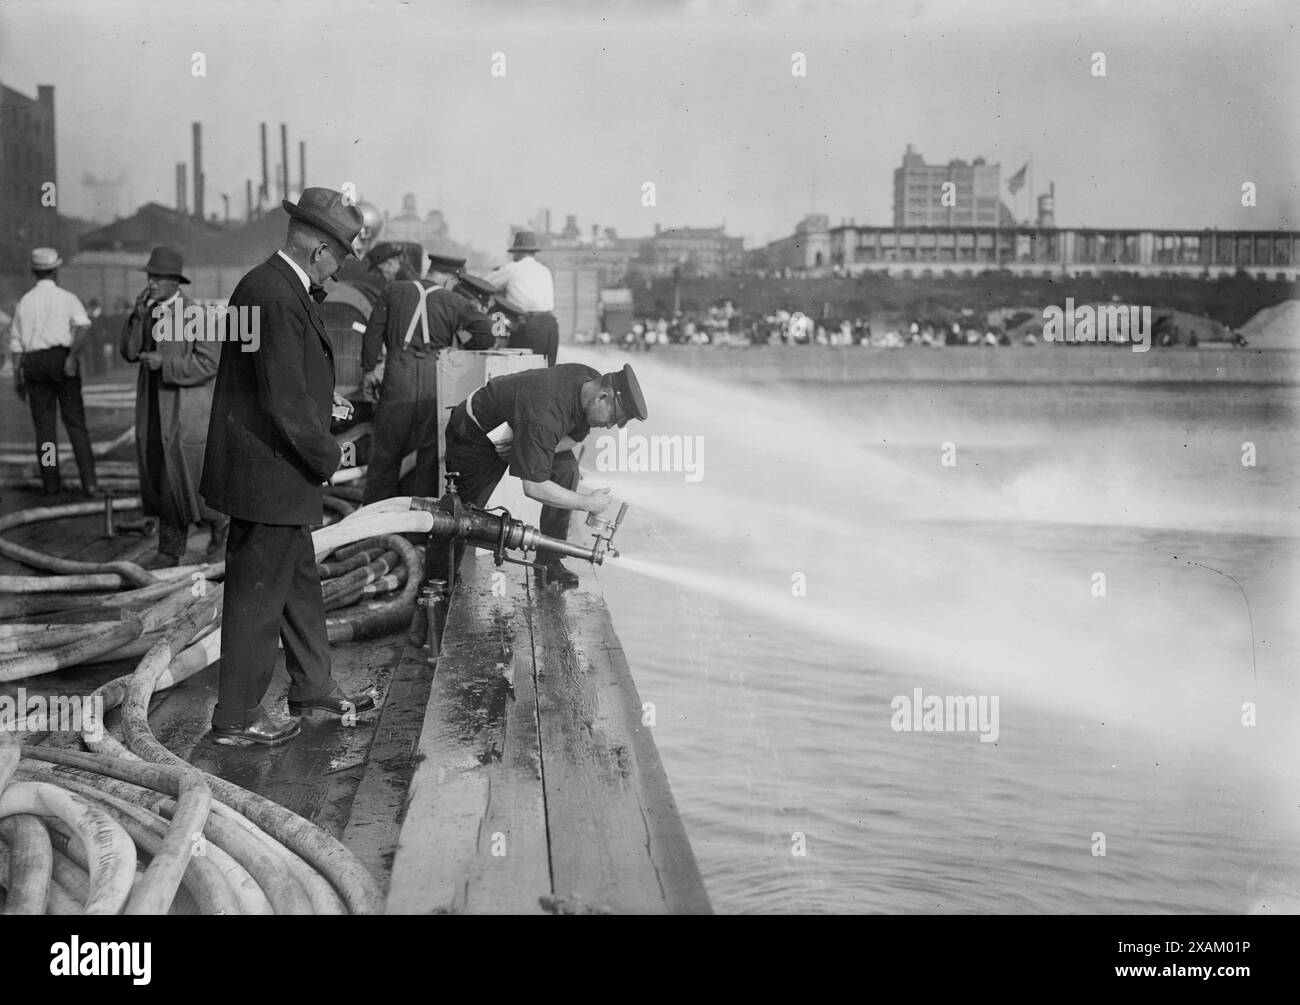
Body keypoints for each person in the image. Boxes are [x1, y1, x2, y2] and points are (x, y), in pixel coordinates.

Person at [201, 187, 374, 746]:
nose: (338, 272)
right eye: (339, 259)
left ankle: (313, 685)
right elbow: (281, 399)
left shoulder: (274, 287)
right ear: (319, 250)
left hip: (277, 474)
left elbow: (280, 381)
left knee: (298, 584)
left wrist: (324, 401)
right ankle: (236, 717)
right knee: (256, 595)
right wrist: (330, 455)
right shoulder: (273, 293)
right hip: (267, 476)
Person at [434, 362, 648, 590]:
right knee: (459, 516)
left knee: (566, 469)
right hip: (476, 434)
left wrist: (524, 448)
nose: (609, 426)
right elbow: (534, 487)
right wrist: (587, 503)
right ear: (602, 397)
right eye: (613, 418)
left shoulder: (589, 381)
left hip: (521, 429)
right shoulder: (546, 413)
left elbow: (573, 438)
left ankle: (549, 559)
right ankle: (438, 582)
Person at [120, 246, 228, 568]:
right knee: (163, 476)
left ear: (175, 282)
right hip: (154, 408)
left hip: (185, 410)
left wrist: (164, 364)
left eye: (157, 277)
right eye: (149, 277)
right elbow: (128, 353)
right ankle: (173, 549)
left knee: (185, 477)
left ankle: (217, 526)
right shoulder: (148, 312)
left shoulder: (196, 314)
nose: (151, 283)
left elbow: (210, 362)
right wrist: (137, 316)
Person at [359, 252, 494, 504]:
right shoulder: (454, 300)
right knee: (429, 455)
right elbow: (487, 334)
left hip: (398, 374)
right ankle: (421, 519)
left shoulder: (393, 290)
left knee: (385, 452)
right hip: (435, 376)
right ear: (452, 278)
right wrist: (460, 352)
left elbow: (373, 333)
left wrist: (369, 370)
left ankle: (373, 515)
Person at [8, 247, 100, 497]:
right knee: (76, 424)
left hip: (34, 365)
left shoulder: (25, 302)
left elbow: (16, 344)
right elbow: (83, 326)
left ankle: (51, 484)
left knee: (45, 430)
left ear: (33, 272)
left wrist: (18, 377)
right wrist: (71, 357)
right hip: (61, 360)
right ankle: (89, 482)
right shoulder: (67, 298)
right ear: (55, 270)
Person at [486, 231, 558, 366]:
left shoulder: (512, 268)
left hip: (528, 325)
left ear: (517, 252)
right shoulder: (544, 270)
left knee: (522, 370)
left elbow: (484, 284)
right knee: (548, 369)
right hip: (550, 324)